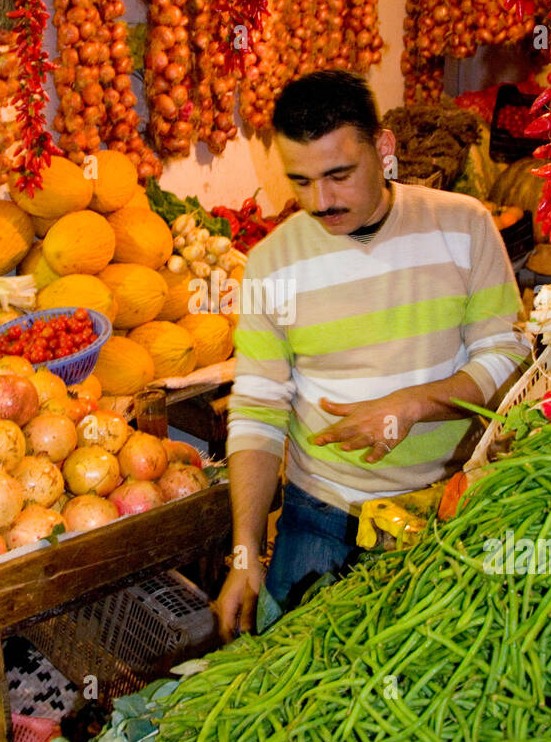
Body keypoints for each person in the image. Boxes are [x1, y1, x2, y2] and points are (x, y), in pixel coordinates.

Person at [215, 69, 530, 640]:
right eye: (301, 181)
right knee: (304, 687)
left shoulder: (463, 225)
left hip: (449, 509)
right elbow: (258, 412)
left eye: (339, 175)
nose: (321, 201)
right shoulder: (271, 264)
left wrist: (414, 404)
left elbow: (506, 356)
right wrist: (245, 552)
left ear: (383, 149)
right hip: (323, 516)